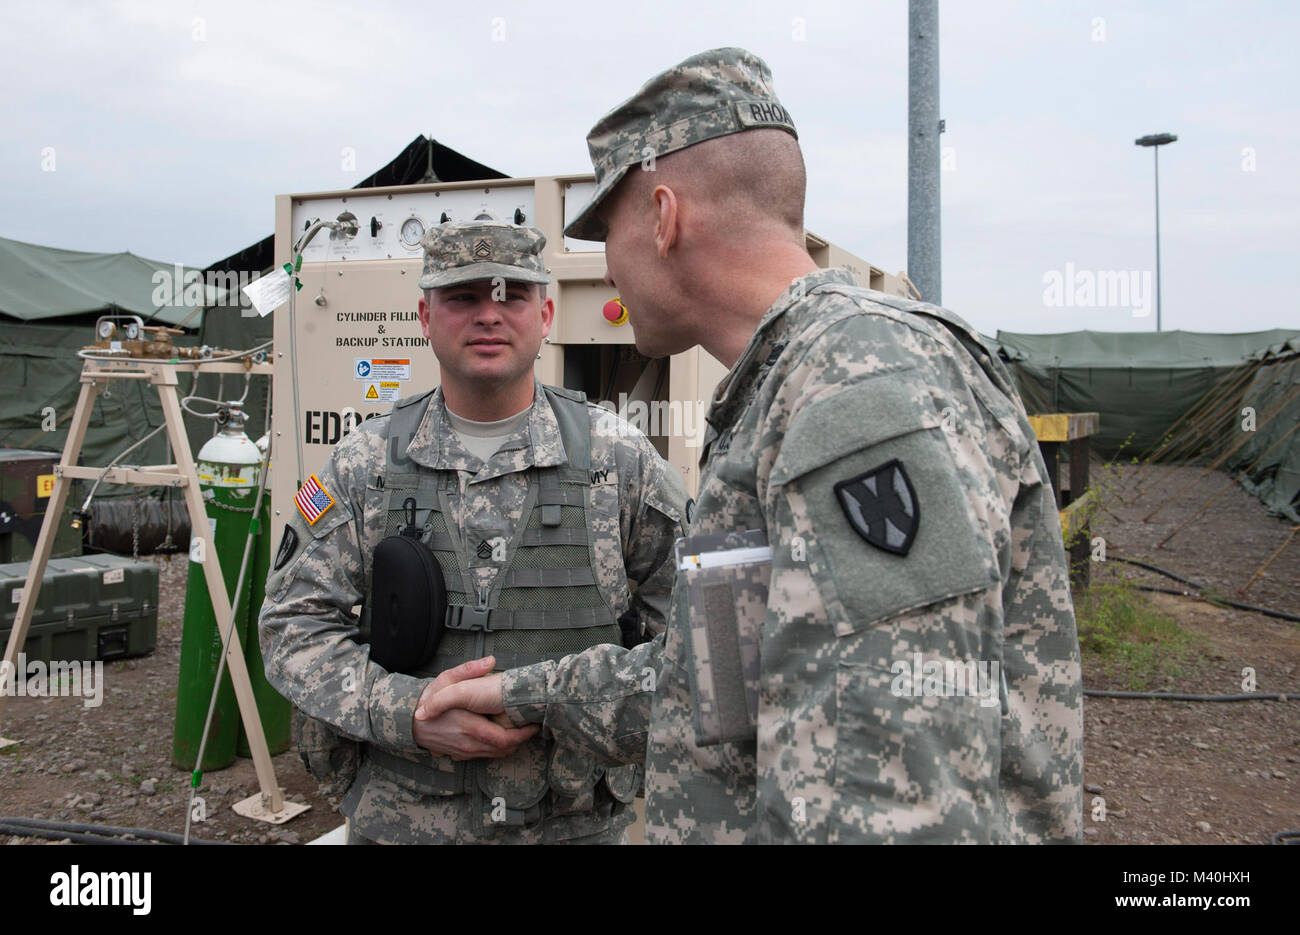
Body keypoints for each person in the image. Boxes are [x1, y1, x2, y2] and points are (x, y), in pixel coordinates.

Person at [417, 48, 1085, 844]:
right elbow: (721, 680)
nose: (608, 267)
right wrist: (523, 694)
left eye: (610, 231)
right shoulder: (794, 384)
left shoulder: (854, 389)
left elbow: (887, 804)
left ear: (663, 217)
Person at [258, 219, 688, 844]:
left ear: (544, 316)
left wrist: (560, 699)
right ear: (426, 318)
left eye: (510, 296)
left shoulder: (621, 463)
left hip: (572, 826)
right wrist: (406, 713)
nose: (489, 316)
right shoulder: (364, 465)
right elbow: (290, 627)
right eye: (463, 297)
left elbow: (692, 643)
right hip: (405, 822)